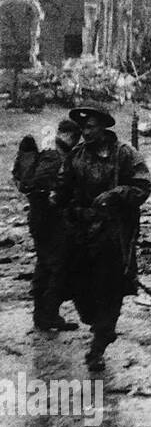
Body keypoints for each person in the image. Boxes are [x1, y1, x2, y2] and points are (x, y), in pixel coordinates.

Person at [54, 104, 151, 371]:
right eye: (83, 128)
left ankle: (98, 345)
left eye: (90, 127)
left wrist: (117, 194)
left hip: (113, 234)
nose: (85, 132)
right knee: (79, 290)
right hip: (83, 232)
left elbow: (143, 186)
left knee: (110, 289)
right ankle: (101, 325)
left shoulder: (124, 155)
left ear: (103, 127)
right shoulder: (76, 156)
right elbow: (63, 188)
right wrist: (56, 199)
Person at [11, 119, 81, 331]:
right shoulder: (55, 156)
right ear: (68, 135)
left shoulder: (51, 154)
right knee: (57, 267)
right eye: (76, 137)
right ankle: (48, 316)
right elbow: (40, 187)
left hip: (42, 217)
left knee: (45, 265)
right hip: (48, 218)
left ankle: (43, 315)